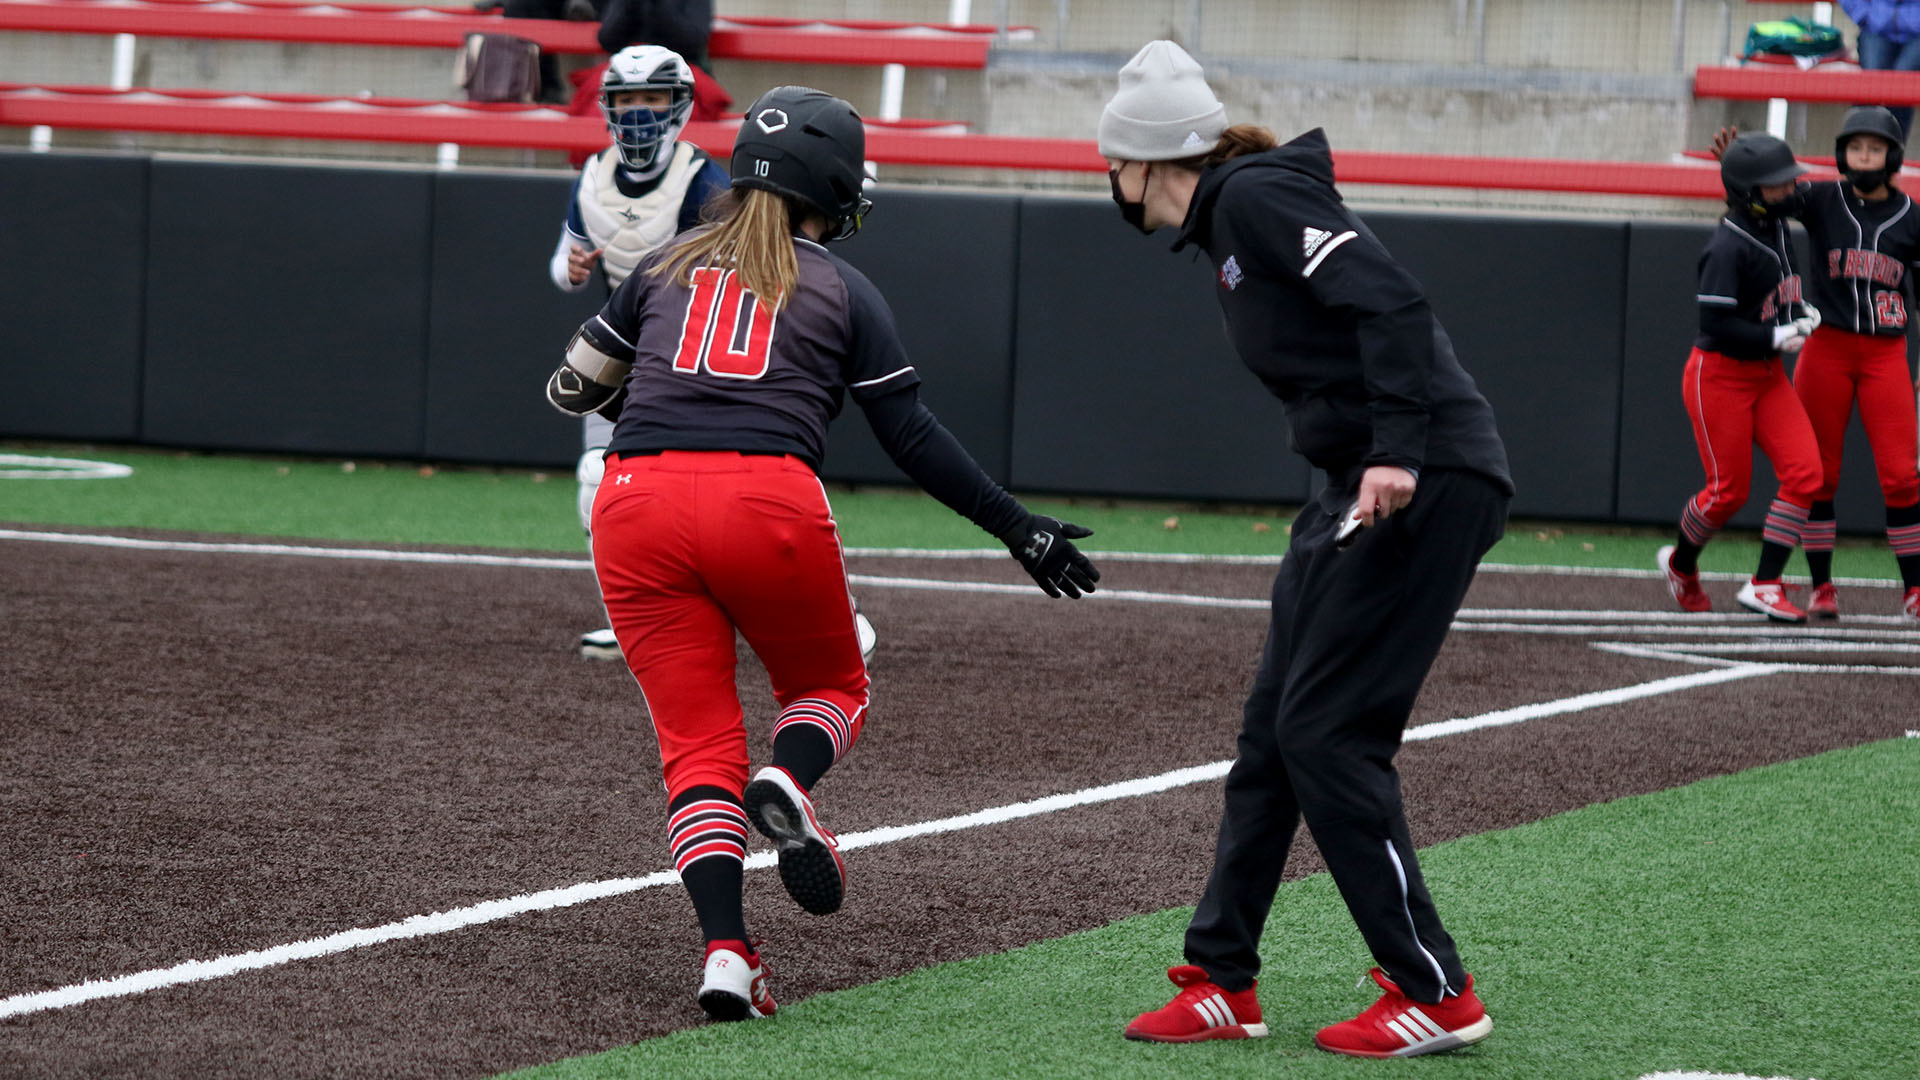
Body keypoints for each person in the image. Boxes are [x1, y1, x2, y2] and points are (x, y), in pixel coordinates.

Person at [543, 85, 1100, 1021]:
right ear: (832, 184)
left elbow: (569, 389)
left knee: (694, 751)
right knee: (832, 689)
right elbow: (912, 437)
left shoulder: (662, 266)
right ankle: (789, 778)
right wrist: (1020, 527)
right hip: (765, 500)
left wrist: (645, 391)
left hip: (634, 503)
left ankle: (728, 955)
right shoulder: (845, 287)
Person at [1096, 41, 1512, 1059]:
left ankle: (1435, 991)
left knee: (1328, 734)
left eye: (1110, 161)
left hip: (1422, 480)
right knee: (1274, 735)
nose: (1105, 180)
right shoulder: (1233, 219)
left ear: (1146, 163)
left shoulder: (1252, 200)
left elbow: (1391, 299)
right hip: (1352, 484)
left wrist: (1399, 455)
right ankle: (1221, 981)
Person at [1710, 110, 1920, 621]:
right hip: (1826, 348)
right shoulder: (1823, 197)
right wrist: (1740, 172)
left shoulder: (1913, 216)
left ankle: (1915, 589)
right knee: (1819, 474)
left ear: (1892, 156)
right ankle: (1822, 586)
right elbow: (1765, 200)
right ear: (1842, 153)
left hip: (1885, 353)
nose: (1863, 158)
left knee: (1902, 476)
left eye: (1874, 149)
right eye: (1855, 148)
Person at [1657, 135, 1827, 623]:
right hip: (1721, 377)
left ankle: (1765, 583)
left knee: (1806, 473)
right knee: (1727, 491)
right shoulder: (1727, 246)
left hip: (1766, 377)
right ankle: (1681, 564)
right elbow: (1716, 326)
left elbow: (1777, 297)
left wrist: (1800, 313)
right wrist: (1777, 337)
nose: (1790, 188)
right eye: (1776, 184)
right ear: (1750, 192)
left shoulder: (1771, 221)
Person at [1842, 0, 1920, 137]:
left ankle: (1893, 150)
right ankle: (1860, 144)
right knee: (1871, 84)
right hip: (1875, 27)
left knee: (1901, 85)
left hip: (1916, 35)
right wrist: (1864, 15)